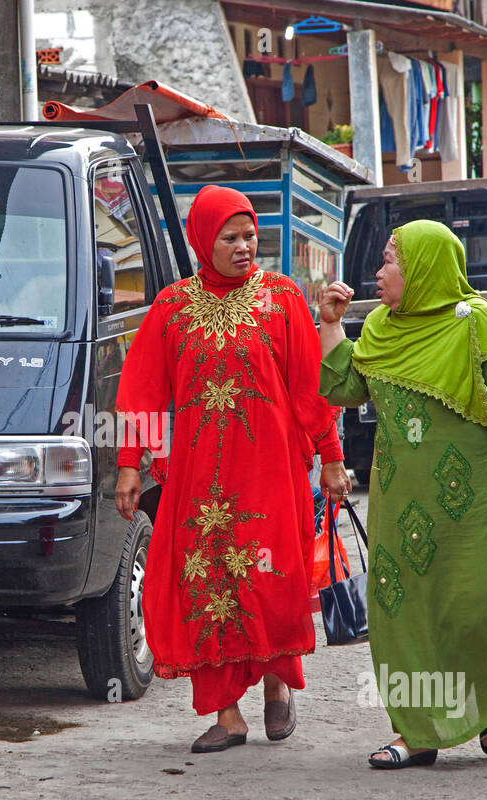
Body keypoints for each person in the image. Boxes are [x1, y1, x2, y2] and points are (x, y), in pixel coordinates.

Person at [114, 184, 353, 753]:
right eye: (231, 237)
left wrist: (331, 455)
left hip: (273, 475)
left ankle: (277, 688)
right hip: (198, 483)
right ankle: (226, 714)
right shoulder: (172, 307)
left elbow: (308, 387)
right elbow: (142, 390)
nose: (244, 246)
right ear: (204, 240)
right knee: (207, 584)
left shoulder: (283, 297)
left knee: (270, 581)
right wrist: (130, 465)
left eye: (250, 236)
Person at [317, 220, 487, 768]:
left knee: (476, 609)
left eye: (389, 262)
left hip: (480, 504)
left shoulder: (478, 326)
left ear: (423, 269)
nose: (379, 273)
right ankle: (416, 731)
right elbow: (343, 388)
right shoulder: (378, 327)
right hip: (401, 504)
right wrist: (330, 326)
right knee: (404, 613)